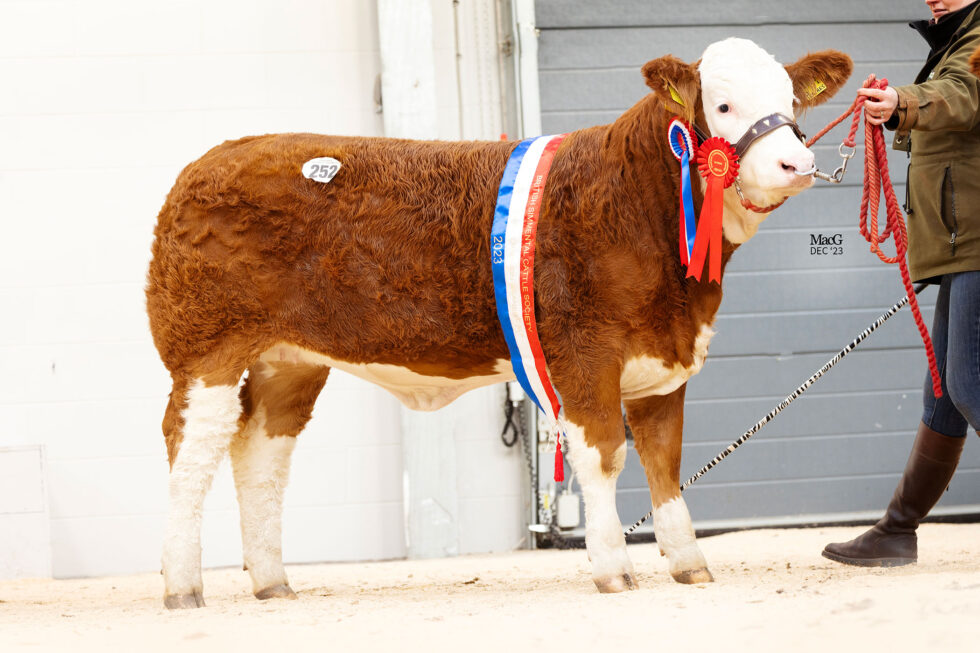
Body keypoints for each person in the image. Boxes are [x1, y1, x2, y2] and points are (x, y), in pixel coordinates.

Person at [822, 0, 980, 567]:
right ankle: (896, 530)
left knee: (967, 383)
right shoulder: (955, 43)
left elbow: (961, 96)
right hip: (959, 246)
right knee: (944, 395)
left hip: (976, 245)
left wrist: (901, 104)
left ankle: (897, 528)